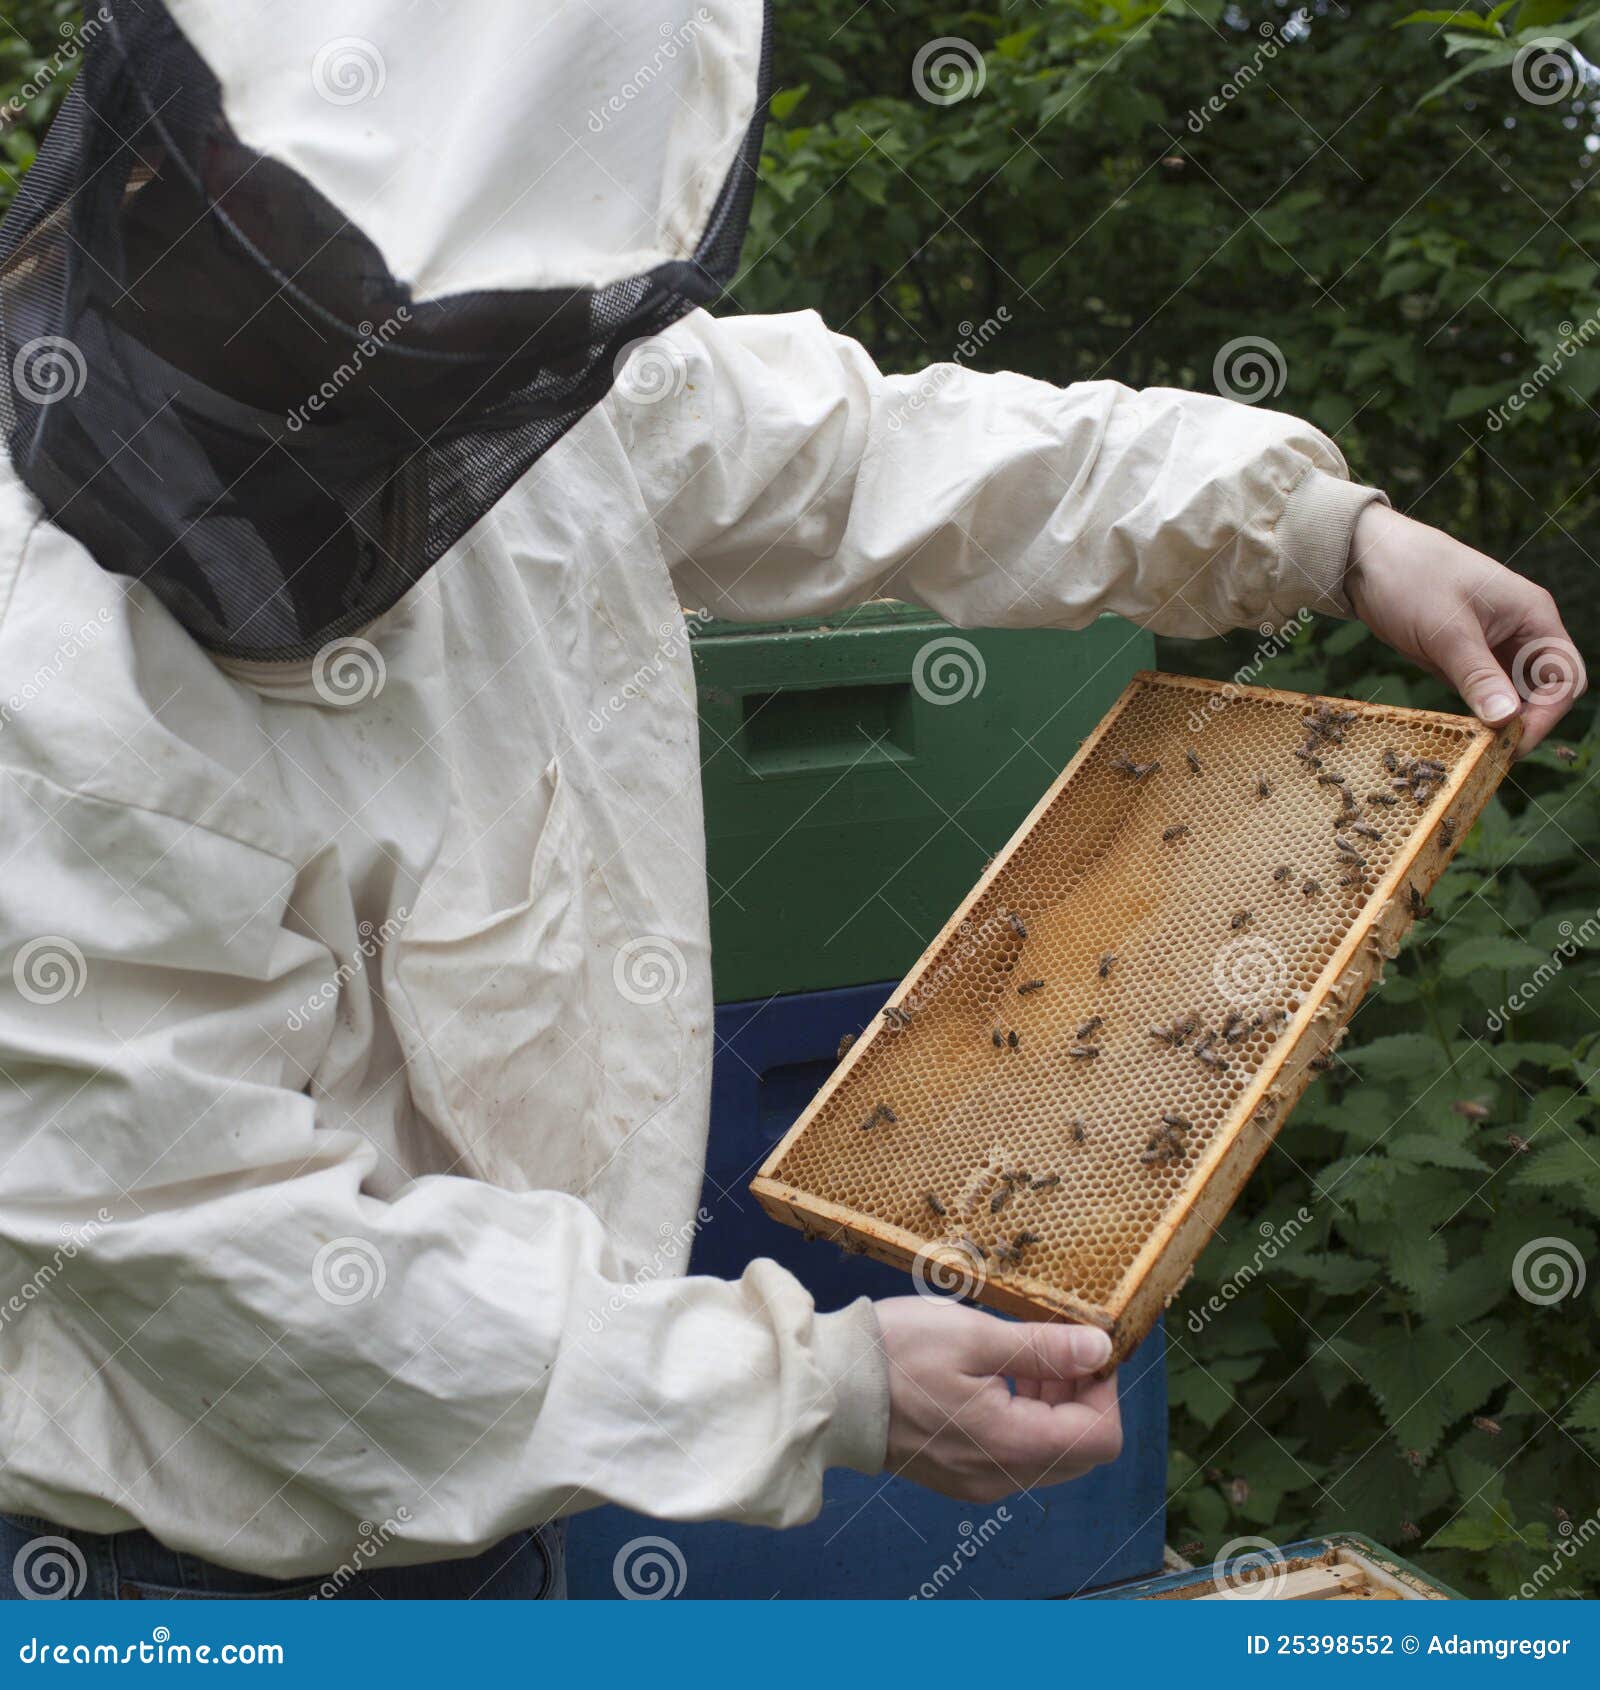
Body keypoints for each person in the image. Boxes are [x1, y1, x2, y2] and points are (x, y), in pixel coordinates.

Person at [0, 0, 1581, 1602]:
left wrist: (1320, 531)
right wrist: (814, 1388)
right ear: (201, 152)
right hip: (169, 1585)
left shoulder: (502, 375)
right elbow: (217, 1259)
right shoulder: (41, 678)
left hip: (491, 1526)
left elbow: (870, 454)